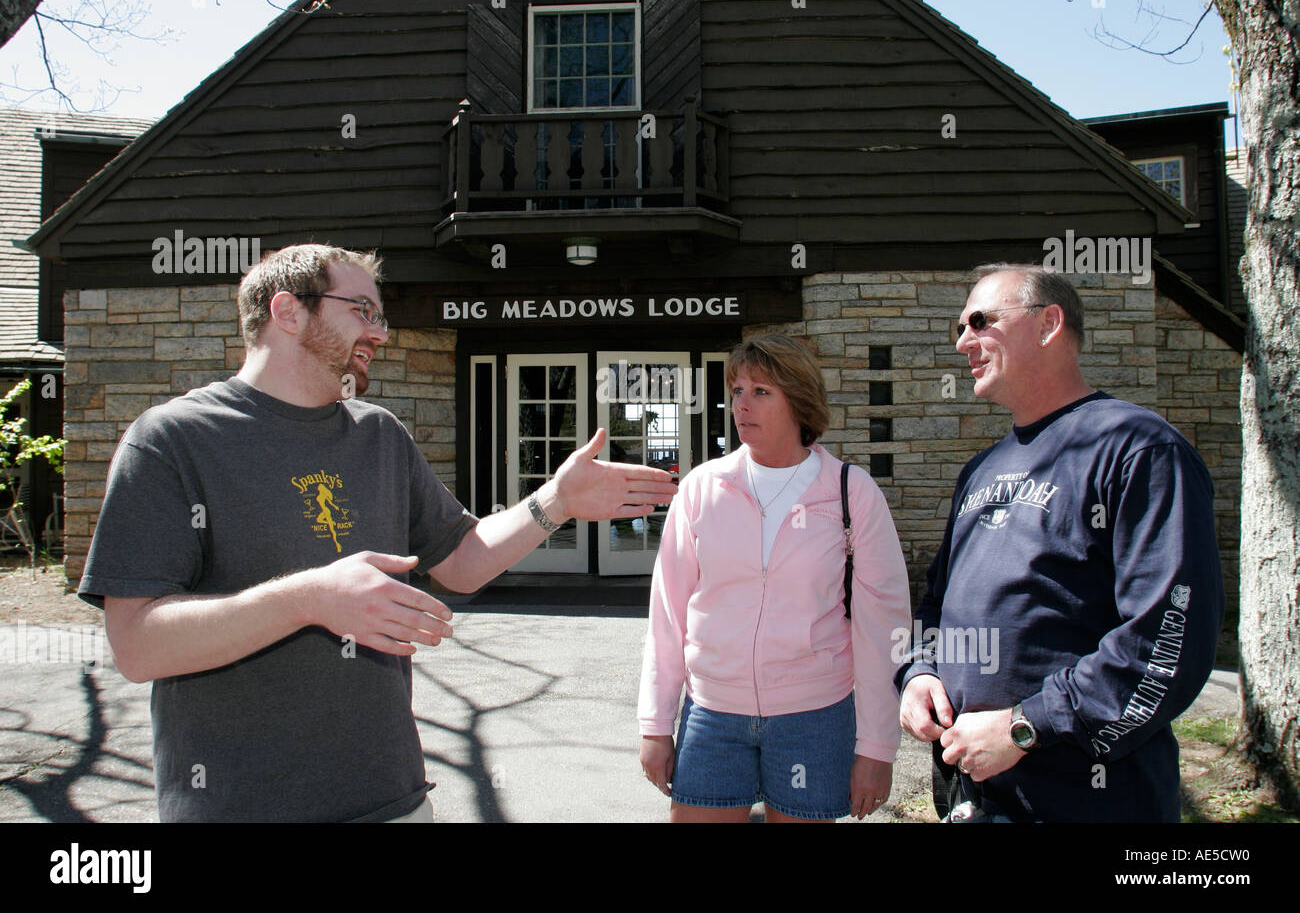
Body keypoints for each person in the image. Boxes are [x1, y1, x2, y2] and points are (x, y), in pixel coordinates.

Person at [79, 243, 676, 822]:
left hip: (393, 800)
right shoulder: (171, 440)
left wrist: (556, 502)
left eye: (380, 314)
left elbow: (461, 561)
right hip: (235, 805)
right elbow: (136, 645)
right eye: (361, 310)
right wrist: (309, 599)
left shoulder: (379, 435)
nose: (381, 332)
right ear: (288, 311)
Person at [896, 263, 1224, 822]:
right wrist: (919, 672)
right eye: (959, 327)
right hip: (973, 798)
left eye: (979, 321)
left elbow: (1167, 638)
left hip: (1089, 800)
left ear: (1049, 323)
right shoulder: (981, 469)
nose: (962, 342)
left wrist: (1026, 726)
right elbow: (937, 604)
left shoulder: (1137, 449)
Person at [638, 333, 912, 822]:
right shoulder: (703, 488)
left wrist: (877, 747)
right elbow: (668, 616)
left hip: (815, 717)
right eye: (737, 390)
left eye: (761, 392)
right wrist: (656, 725)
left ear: (800, 399)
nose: (742, 405)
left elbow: (883, 627)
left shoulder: (852, 493)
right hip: (713, 715)